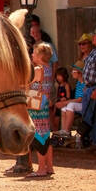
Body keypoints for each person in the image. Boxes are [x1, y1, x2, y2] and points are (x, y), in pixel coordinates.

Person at [27, 42, 55, 178]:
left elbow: (31, 85)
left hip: (36, 105)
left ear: (40, 55)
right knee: (46, 134)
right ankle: (49, 166)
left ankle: (41, 168)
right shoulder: (48, 68)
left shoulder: (38, 69)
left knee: (39, 135)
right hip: (44, 104)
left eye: (34, 52)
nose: (32, 54)